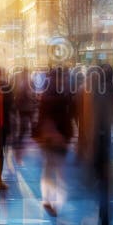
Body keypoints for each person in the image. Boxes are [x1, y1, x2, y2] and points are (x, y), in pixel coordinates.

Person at [92, 65, 113, 225]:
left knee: (105, 192)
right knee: (106, 193)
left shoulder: (99, 94)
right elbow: (101, 127)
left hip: (101, 149)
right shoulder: (105, 97)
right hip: (101, 150)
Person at [37, 67, 72, 216]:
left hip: (50, 139)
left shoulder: (47, 95)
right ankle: (54, 203)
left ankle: (47, 199)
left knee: (49, 169)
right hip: (58, 138)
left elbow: (41, 117)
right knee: (59, 172)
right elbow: (65, 117)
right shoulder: (61, 95)